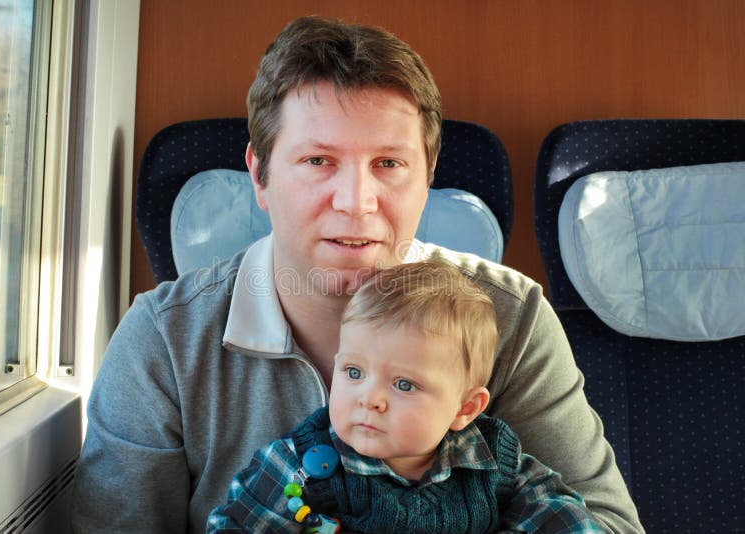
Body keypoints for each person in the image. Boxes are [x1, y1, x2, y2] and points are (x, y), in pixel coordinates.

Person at [72, 15, 643, 534]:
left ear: (427, 176)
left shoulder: (512, 316)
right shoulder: (162, 341)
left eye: (388, 164)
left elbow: (606, 524)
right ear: (260, 175)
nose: (356, 201)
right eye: (318, 161)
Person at [206, 260, 603, 533]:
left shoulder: (491, 463)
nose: (370, 399)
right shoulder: (303, 465)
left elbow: (565, 518)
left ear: (465, 408)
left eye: (404, 385)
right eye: (354, 373)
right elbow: (236, 525)